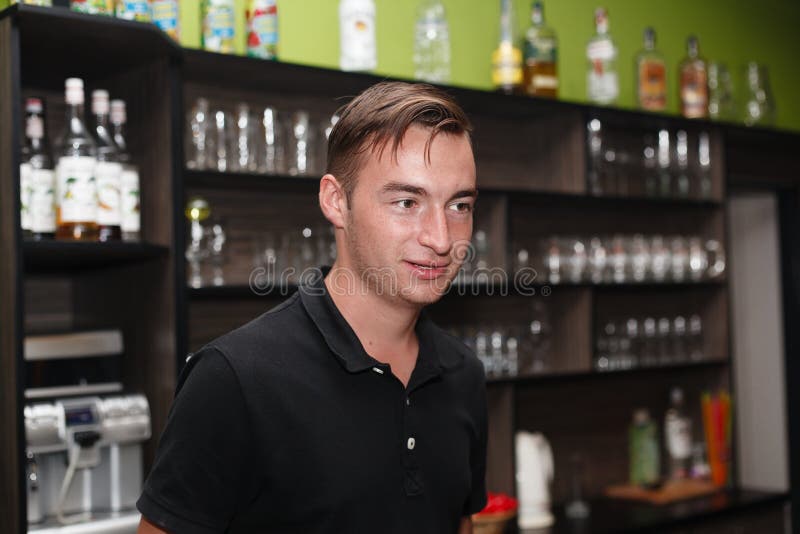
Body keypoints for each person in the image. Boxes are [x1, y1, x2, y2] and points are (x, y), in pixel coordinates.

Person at [137, 81, 487, 534]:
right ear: (335, 201)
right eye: (406, 202)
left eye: (459, 205)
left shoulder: (465, 374)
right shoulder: (233, 380)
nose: (441, 238)